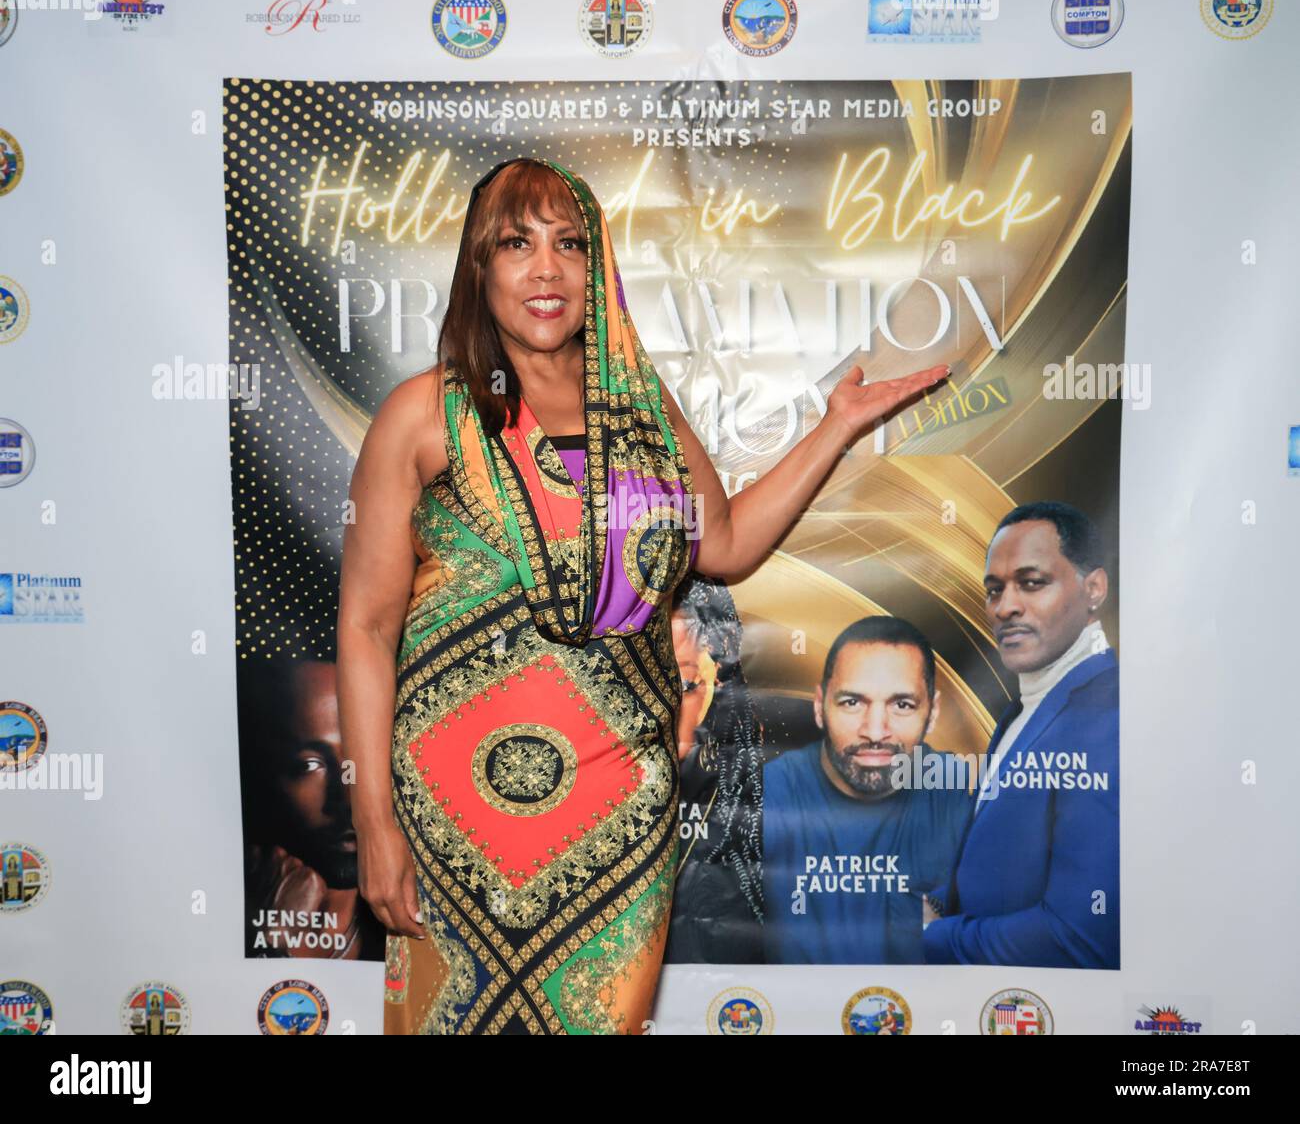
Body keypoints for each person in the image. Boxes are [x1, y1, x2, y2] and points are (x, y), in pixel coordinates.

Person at [337, 156, 951, 1035]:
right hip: (454, 819)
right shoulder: (423, 415)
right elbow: (364, 626)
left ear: (599, 269)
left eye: (570, 244)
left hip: (620, 814)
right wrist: (376, 825)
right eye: (517, 243)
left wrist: (836, 429)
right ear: (481, 268)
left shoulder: (641, 409)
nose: (546, 268)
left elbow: (727, 542)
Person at [922, 500, 1119, 968]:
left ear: (1093, 588)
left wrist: (932, 935)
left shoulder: (1110, 714)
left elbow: (1079, 936)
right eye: (994, 590)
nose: (1005, 607)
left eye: (1032, 583)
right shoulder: (1022, 711)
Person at [762, 616, 973, 965]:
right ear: (819, 706)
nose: (875, 731)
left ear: (932, 713)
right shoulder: (770, 792)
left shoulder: (957, 791)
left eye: (901, 705)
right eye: (852, 702)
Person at [238, 656, 385, 961]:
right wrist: (274, 938)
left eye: (364, 756)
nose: (346, 797)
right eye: (309, 764)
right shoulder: (216, 916)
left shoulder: (421, 924)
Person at [661, 574, 764, 964]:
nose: (661, 706)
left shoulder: (756, 789)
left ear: (717, 677)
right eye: (643, 678)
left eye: (684, 685)